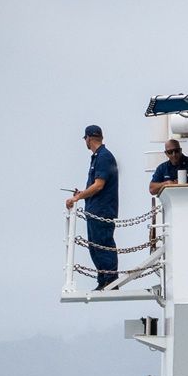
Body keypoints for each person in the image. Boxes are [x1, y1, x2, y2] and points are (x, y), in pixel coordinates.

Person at [67, 124, 120, 289]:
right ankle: (103, 279)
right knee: (95, 246)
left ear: (88, 138)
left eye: (85, 139)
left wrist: (77, 198)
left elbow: (98, 185)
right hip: (95, 209)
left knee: (102, 244)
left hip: (101, 210)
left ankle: (110, 280)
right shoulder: (99, 156)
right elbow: (96, 186)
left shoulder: (103, 157)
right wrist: (82, 193)